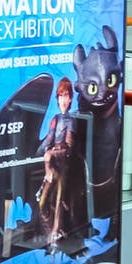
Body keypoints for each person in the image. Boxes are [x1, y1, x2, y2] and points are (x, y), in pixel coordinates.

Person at [35, 76, 85, 249]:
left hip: (64, 165)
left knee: (58, 202)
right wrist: (36, 153)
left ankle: (55, 236)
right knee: (42, 203)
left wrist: (51, 154)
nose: (63, 100)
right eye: (60, 96)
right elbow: (47, 141)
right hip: (51, 165)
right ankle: (53, 232)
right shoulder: (55, 119)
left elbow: (69, 147)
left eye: (66, 96)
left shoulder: (71, 121)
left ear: (71, 98)